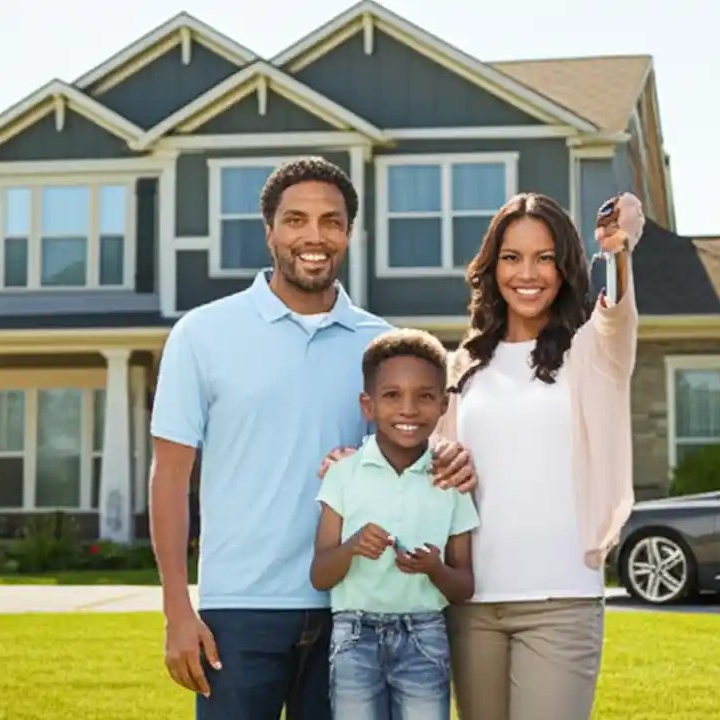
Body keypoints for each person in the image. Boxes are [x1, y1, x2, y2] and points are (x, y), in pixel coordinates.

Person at [149, 156, 477, 720]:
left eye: (331, 221)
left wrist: (452, 459)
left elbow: (417, 449)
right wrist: (177, 607)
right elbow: (170, 476)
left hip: (353, 610)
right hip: (239, 608)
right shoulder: (202, 334)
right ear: (270, 231)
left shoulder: (385, 349)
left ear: (349, 233)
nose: (314, 236)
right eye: (296, 220)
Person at [436, 191, 645, 719]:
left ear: (565, 266)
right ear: (492, 266)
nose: (527, 273)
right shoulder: (464, 363)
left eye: (544, 257)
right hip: (470, 604)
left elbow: (616, 312)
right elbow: (436, 461)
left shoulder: (594, 350)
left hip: (562, 600)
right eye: (512, 257)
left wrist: (619, 251)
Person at [310, 328, 479, 720]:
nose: (408, 409)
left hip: (425, 635)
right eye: (391, 395)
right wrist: (352, 547)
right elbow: (320, 575)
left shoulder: (450, 481)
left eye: (424, 396)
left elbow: (464, 586)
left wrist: (434, 568)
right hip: (354, 636)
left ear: (442, 406)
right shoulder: (343, 474)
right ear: (368, 406)